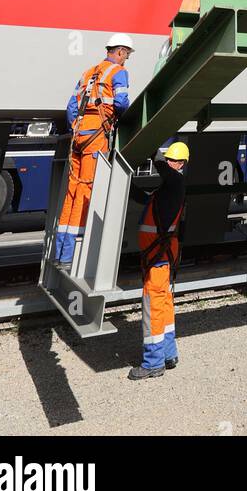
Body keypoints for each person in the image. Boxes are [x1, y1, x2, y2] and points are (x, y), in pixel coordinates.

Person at [55, 34, 132, 263]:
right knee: (85, 191)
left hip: (79, 136)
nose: (127, 59)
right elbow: (121, 103)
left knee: (71, 191)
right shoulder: (119, 72)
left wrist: (77, 127)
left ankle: (60, 248)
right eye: (126, 54)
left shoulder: (89, 72)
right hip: (96, 137)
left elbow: (71, 106)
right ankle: (72, 253)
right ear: (119, 52)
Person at [129, 140, 189, 381]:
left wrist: (155, 153)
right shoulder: (166, 192)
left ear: (182, 163)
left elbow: (168, 173)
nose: (171, 163)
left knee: (153, 308)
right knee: (164, 306)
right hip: (160, 259)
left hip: (158, 260)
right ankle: (168, 355)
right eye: (169, 159)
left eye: (175, 160)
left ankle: (153, 362)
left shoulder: (176, 182)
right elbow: (143, 198)